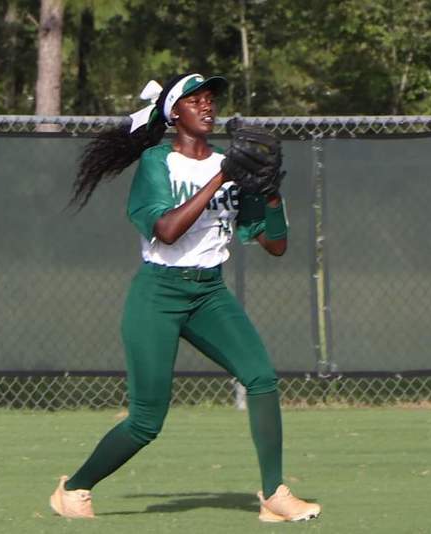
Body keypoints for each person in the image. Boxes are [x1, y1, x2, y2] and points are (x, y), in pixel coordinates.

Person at [50, 73, 321, 523]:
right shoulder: (159, 163)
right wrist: (222, 177)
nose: (207, 106)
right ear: (174, 113)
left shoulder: (231, 166)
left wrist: (271, 193)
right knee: (145, 423)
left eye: (211, 99)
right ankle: (74, 488)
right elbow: (168, 231)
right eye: (194, 100)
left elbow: (275, 245)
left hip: (209, 292)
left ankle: (274, 494)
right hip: (158, 293)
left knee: (261, 377)